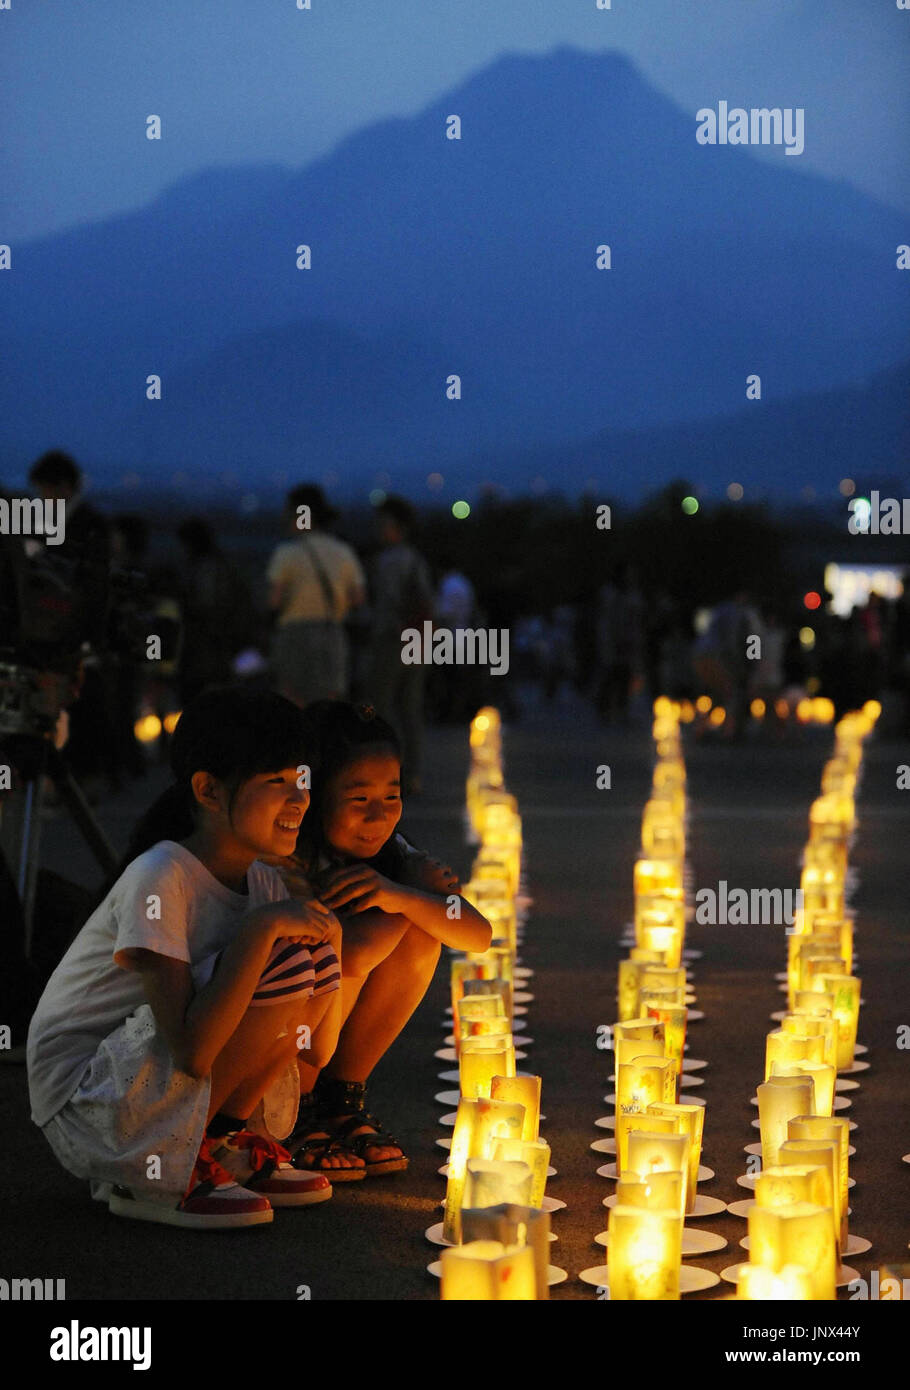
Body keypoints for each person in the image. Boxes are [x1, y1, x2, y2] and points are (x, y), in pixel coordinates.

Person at [26, 687, 344, 1229]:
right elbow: (193, 1052)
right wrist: (262, 930)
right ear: (208, 790)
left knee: (298, 950)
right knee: (275, 951)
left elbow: (315, 1054)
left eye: (302, 782)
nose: (298, 802)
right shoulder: (162, 875)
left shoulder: (264, 881)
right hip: (88, 1100)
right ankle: (156, 1176)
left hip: (149, 1082)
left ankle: (216, 1141)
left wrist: (329, 946)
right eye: (276, 784)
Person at [270, 700, 491, 1179]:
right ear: (313, 795)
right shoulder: (285, 858)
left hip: (322, 1037)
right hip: (266, 1059)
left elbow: (478, 935)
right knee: (383, 932)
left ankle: (340, 1099)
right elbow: (355, 956)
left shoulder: (392, 854)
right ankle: (293, 1111)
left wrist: (402, 896)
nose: (379, 816)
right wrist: (407, 900)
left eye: (392, 797)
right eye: (358, 800)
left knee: (421, 926)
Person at [266, 484, 366, 708]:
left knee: (292, 702)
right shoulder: (344, 552)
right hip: (332, 633)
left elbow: (274, 600)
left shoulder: (287, 553)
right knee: (328, 704)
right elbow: (358, 599)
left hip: (294, 635)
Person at [365, 496, 434, 793]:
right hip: (418, 640)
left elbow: (383, 602)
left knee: (380, 707)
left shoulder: (387, 561)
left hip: (392, 638)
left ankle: (383, 772)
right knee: (411, 709)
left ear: (395, 527)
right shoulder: (416, 559)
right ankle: (413, 774)